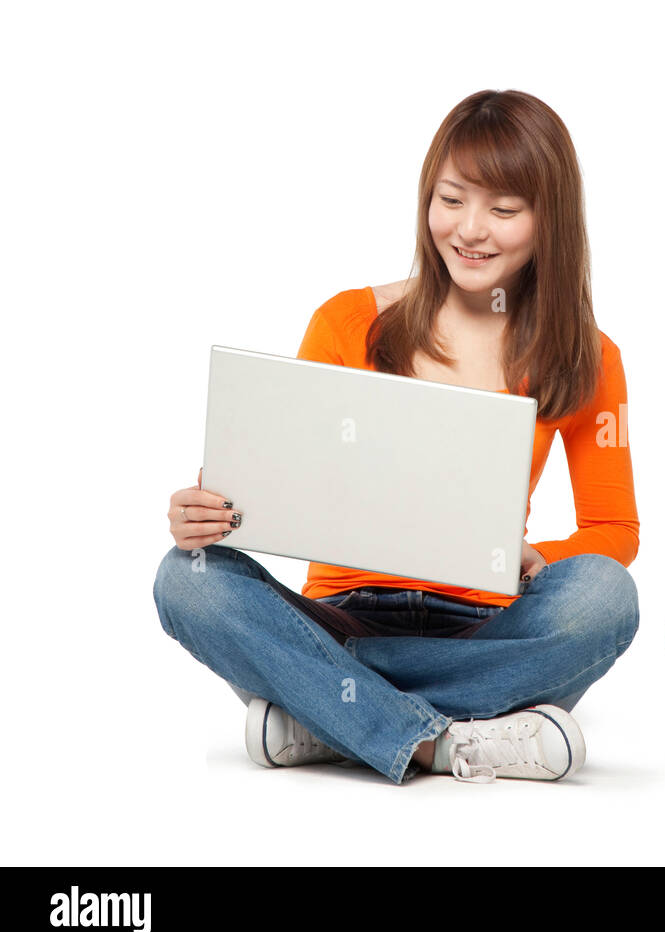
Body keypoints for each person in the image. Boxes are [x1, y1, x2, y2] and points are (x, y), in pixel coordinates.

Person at [153, 90, 640, 785]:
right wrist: (210, 512)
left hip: (485, 626)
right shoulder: (349, 321)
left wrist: (528, 558)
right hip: (341, 618)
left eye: (503, 210)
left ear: (548, 222)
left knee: (605, 596)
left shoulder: (589, 356)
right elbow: (283, 483)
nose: (471, 230)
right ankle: (441, 741)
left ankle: (324, 712)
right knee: (187, 580)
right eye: (451, 200)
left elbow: (614, 529)